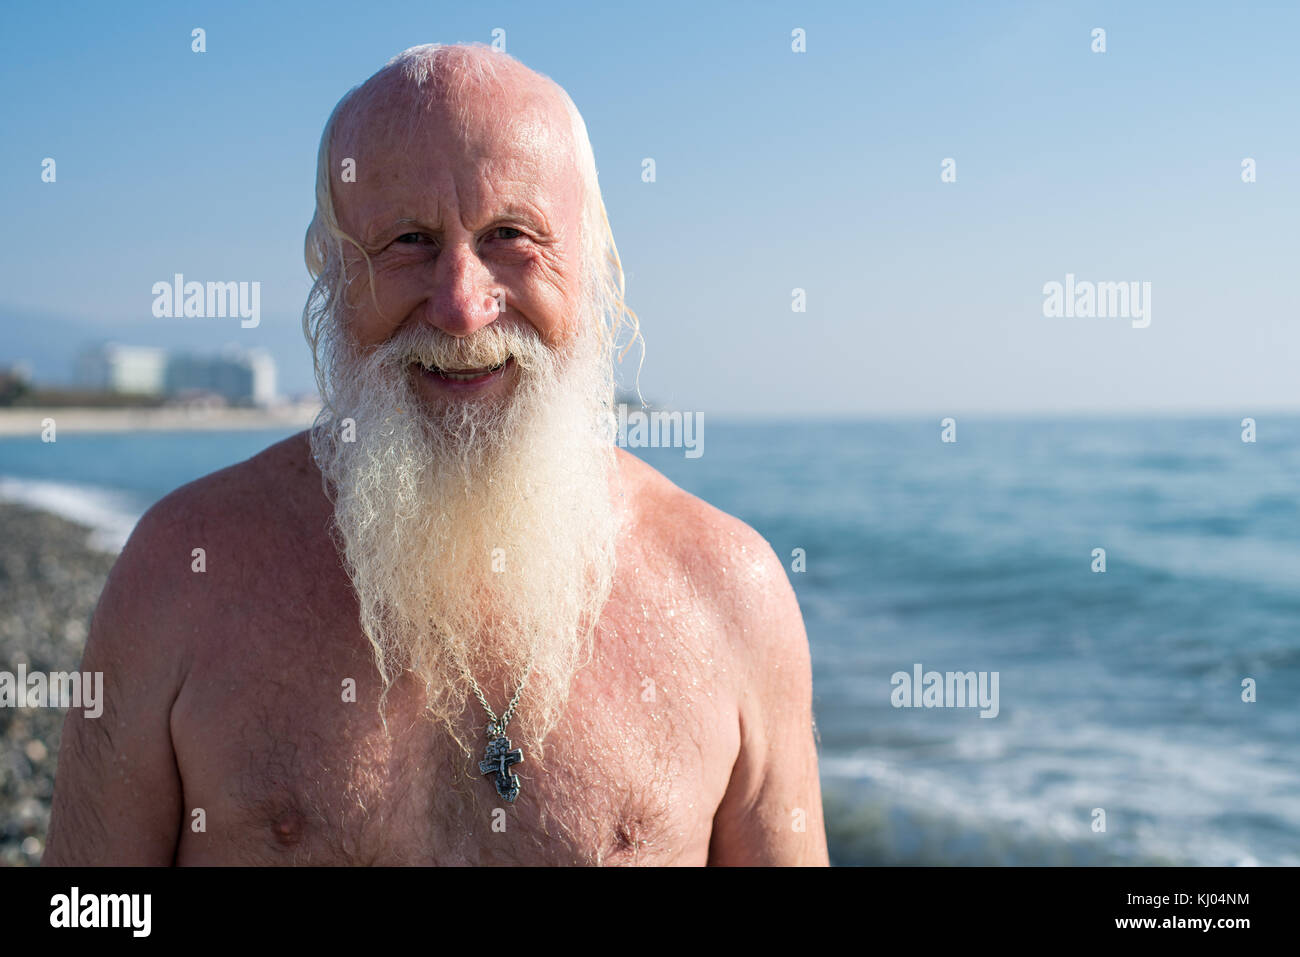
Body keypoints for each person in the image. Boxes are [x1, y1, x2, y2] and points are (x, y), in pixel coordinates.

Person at [45, 42, 827, 865]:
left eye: (511, 236)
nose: (461, 305)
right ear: (332, 273)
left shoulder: (732, 594)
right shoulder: (180, 570)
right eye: (409, 240)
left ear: (592, 268)